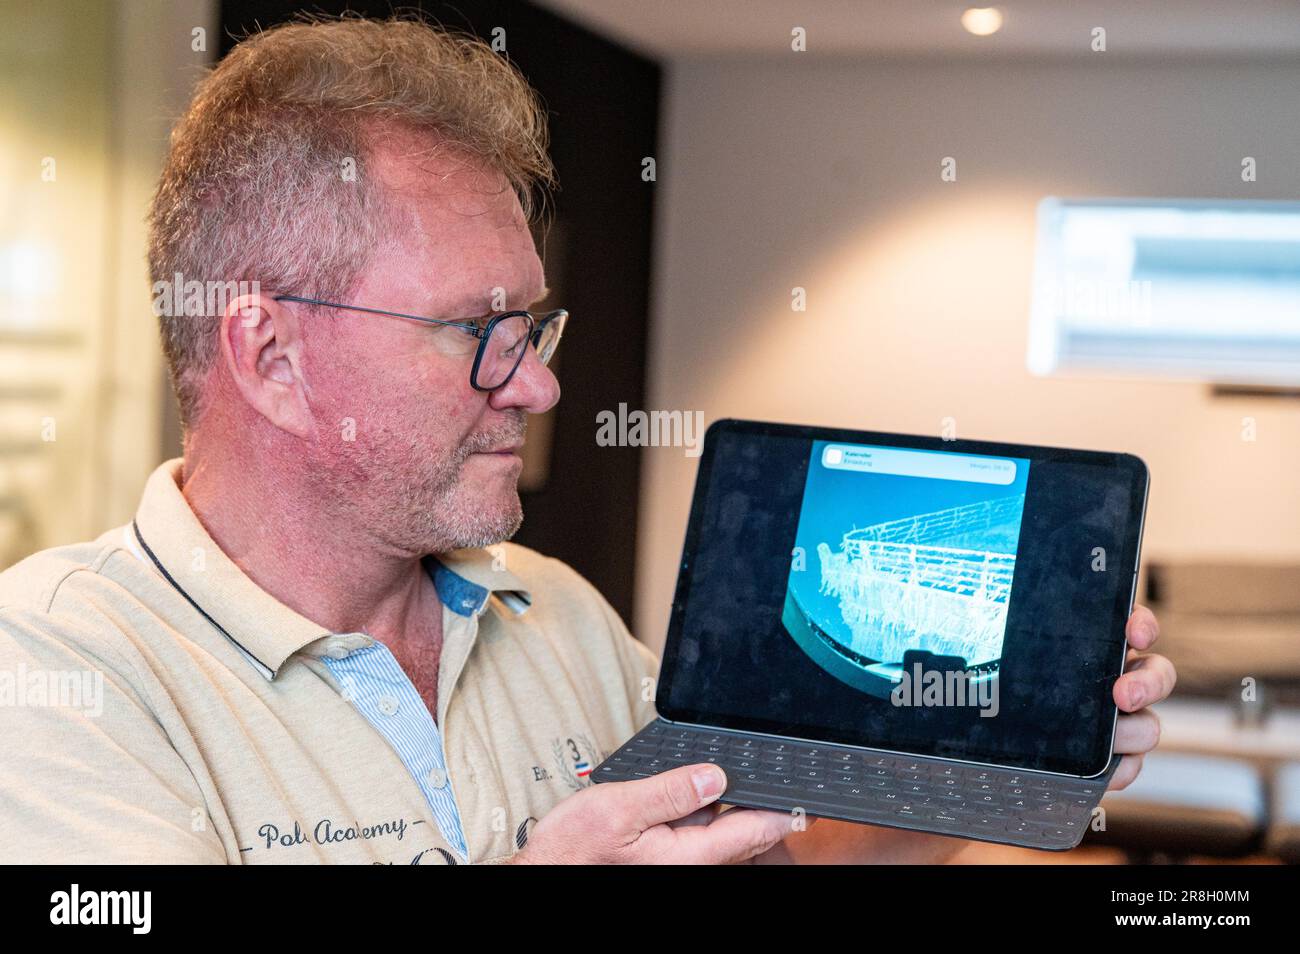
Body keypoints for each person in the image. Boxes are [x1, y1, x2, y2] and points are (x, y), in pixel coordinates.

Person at [0, 16, 1174, 864]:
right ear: (270, 356)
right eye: (479, 330)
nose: (542, 386)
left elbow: (770, 861)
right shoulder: (57, 680)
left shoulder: (551, 614)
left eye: (534, 324)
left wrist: (989, 755)